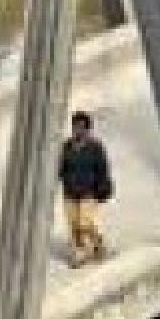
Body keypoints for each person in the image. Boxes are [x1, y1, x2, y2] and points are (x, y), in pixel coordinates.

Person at [59, 110, 113, 267]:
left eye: (81, 127)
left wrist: (103, 188)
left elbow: (103, 169)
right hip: (69, 192)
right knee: (74, 225)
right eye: (75, 127)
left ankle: (83, 254)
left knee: (84, 223)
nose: (78, 130)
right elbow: (60, 168)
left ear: (88, 129)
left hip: (89, 192)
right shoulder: (66, 147)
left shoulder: (95, 147)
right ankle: (94, 244)